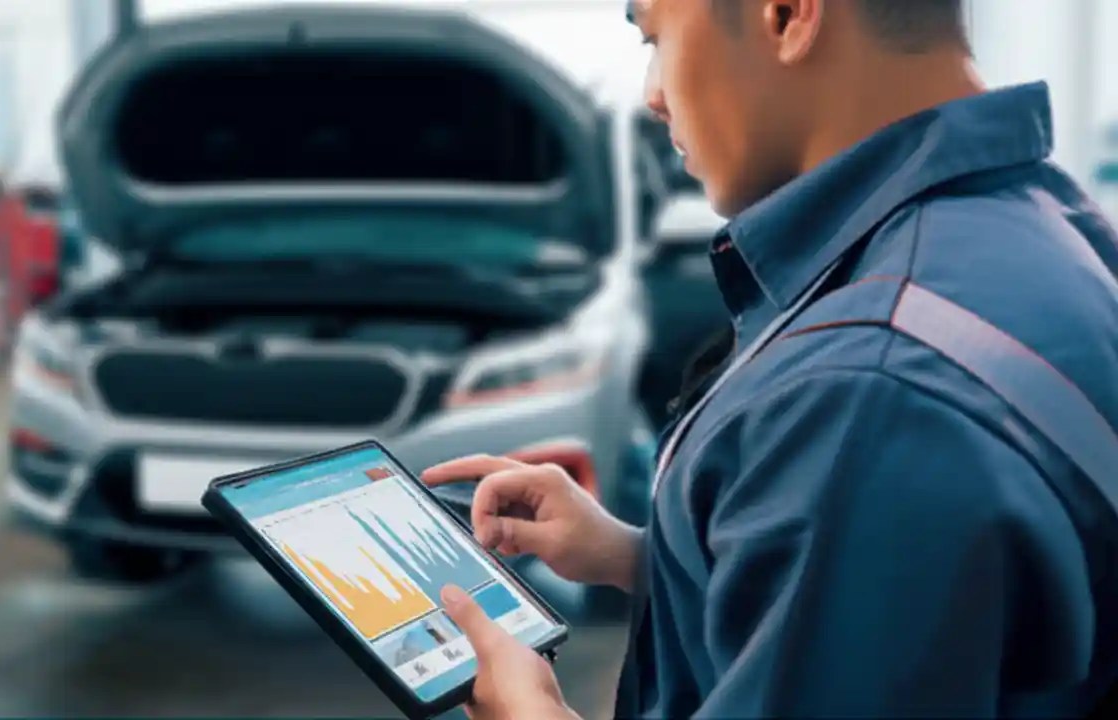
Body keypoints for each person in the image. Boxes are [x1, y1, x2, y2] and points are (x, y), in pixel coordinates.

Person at [423, 0, 1118, 718]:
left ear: (787, 14)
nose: (652, 95)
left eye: (657, 37)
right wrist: (650, 558)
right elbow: (939, 609)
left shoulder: (860, 399)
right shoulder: (1051, 233)